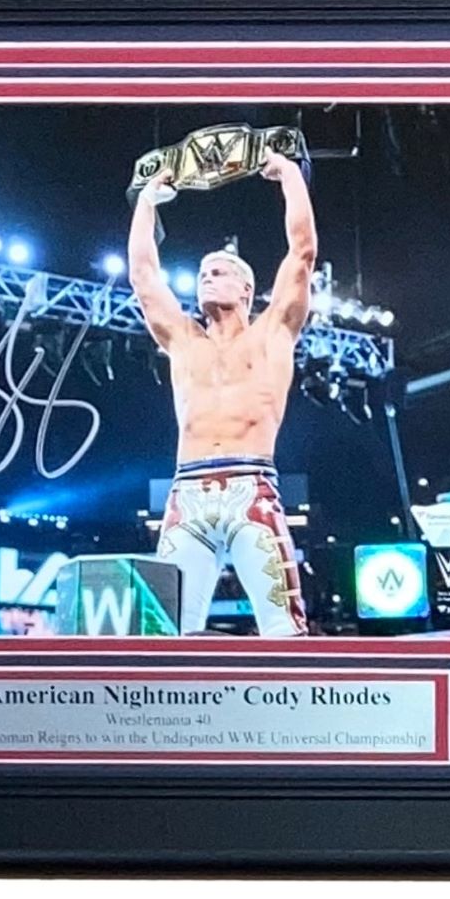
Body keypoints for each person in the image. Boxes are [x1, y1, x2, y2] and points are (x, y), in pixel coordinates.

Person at [127, 148, 316, 636]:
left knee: (283, 629)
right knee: (165, 631)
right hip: (187, 494)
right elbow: (143, 276)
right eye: (202, 274)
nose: (207, 279)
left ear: (247, 290)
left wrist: (289, 175)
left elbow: (301, 254)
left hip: (251, 489)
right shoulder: (183, 341)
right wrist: (146, 202)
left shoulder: (273, 333)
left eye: (219, 272)